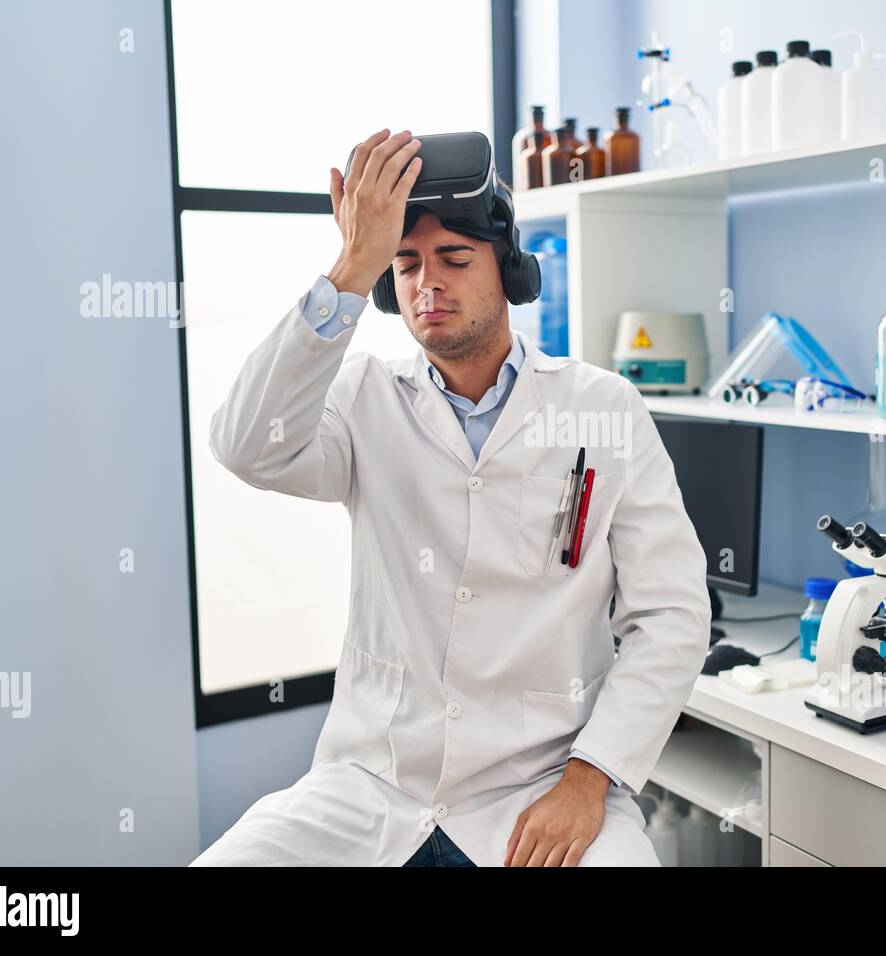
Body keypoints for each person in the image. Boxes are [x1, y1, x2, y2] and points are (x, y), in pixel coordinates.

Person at [191, 129, 709, 867]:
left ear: (509, 272)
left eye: (455, 259)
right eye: (404, 265)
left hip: (542, 785)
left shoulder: (604, 407)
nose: (428, 283)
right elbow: (245, 446)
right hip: (372, 786)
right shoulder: (362, 399)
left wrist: (589, 779)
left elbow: (673, 614)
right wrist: (351, 262)